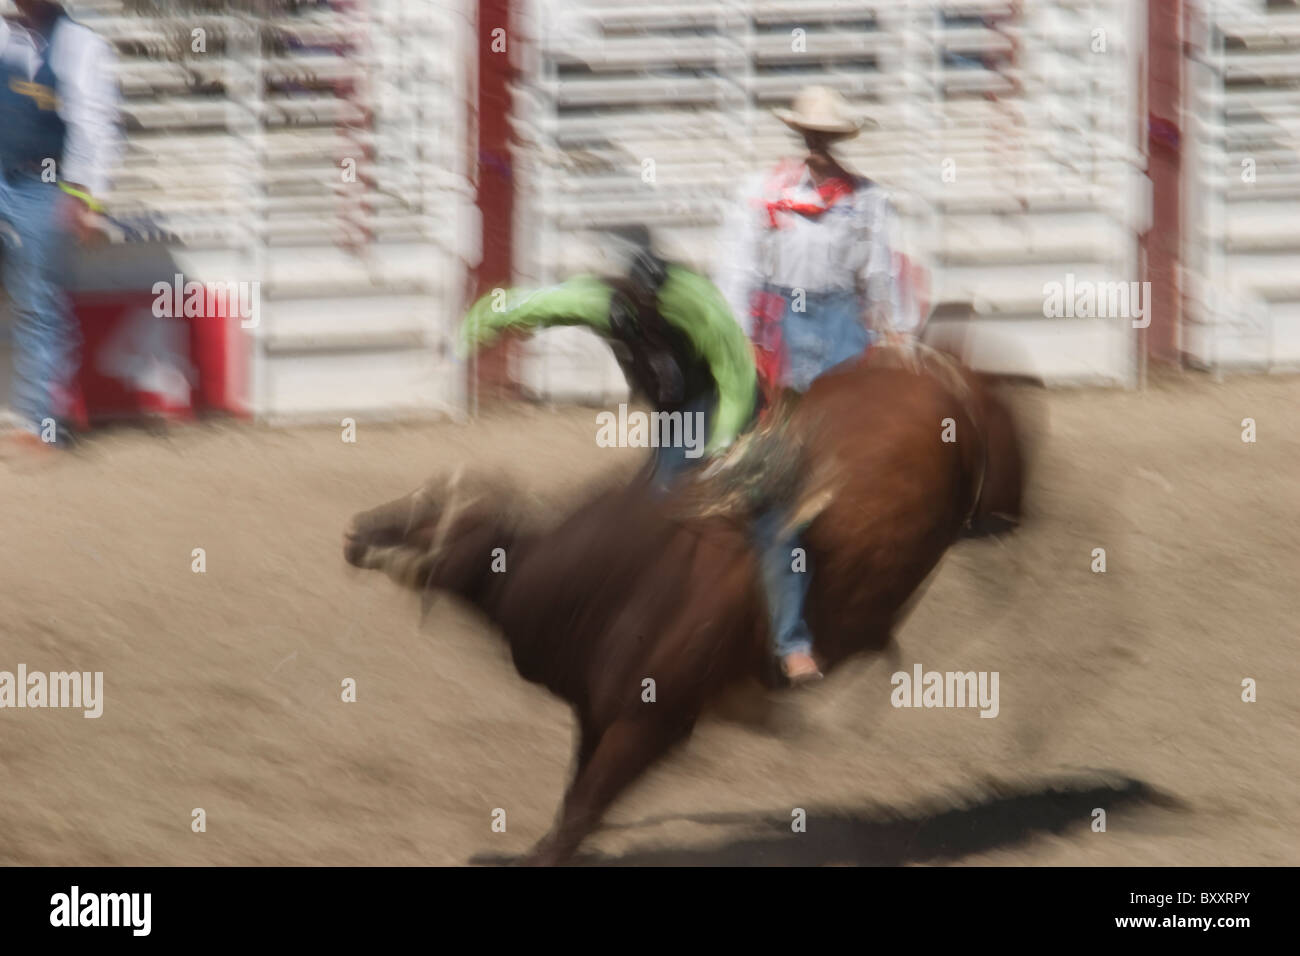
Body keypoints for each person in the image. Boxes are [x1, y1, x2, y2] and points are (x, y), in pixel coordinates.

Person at [714, 85, 918, 683]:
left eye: (827, 136)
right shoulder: (763, 192)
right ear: (801, 137)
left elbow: (879, 276)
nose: (819, 144)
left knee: (869, 473)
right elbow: (738, 268)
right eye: (812, 135)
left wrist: (896, 335)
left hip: (844, 329)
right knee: (784, 485)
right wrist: (739, 339)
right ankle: (790, 637)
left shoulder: (868, 201)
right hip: (781, 328)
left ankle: (850, 610)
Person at [459, 228, 757, 491]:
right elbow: (534, 304)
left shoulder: (698, 306)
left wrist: (721, 444)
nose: (644, 302)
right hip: (675, 408)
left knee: (670, 487)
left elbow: (736, 379)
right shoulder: (603, 302)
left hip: (714, 397)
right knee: (658, 485)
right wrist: (476, 328)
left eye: (649, 297)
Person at [0, 0, 119, 455]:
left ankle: (43, 424)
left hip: (44, 186)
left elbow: (97, 126)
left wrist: (85, 196)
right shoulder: (5, 35)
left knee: (39, 303)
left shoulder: (84, 46)